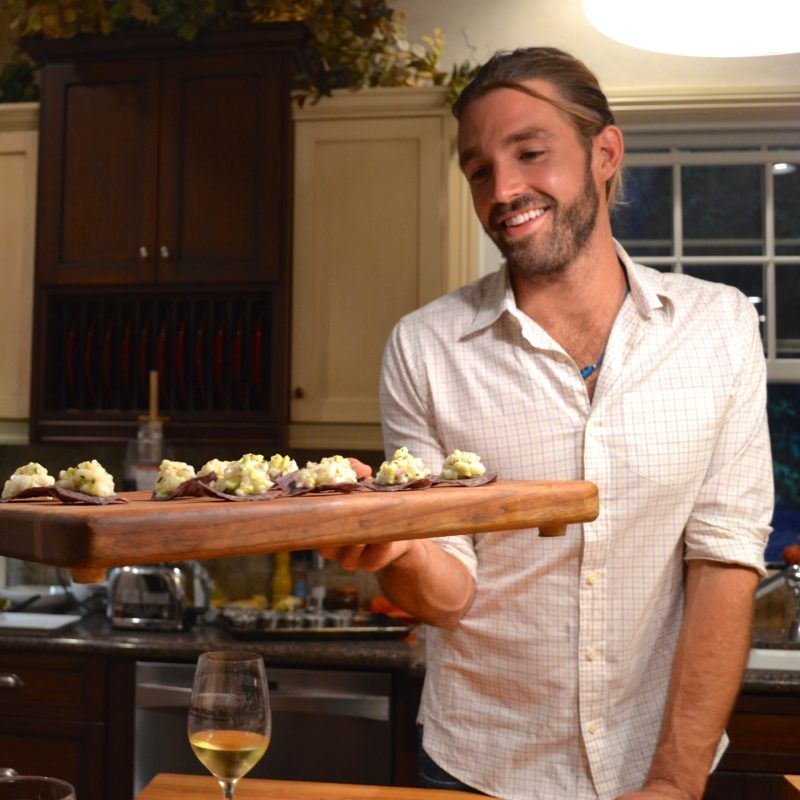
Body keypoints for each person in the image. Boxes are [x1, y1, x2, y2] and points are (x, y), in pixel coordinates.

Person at [320, 47, 773, 800]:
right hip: (478, 766)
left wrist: (674, 779)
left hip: (656, 765)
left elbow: (724, 561)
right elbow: (450, 593)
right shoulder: (426, 347)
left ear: (604, 153)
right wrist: (394, 543)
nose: (503, 189)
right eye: (478, 170)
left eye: (531, 152)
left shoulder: (717, 327)